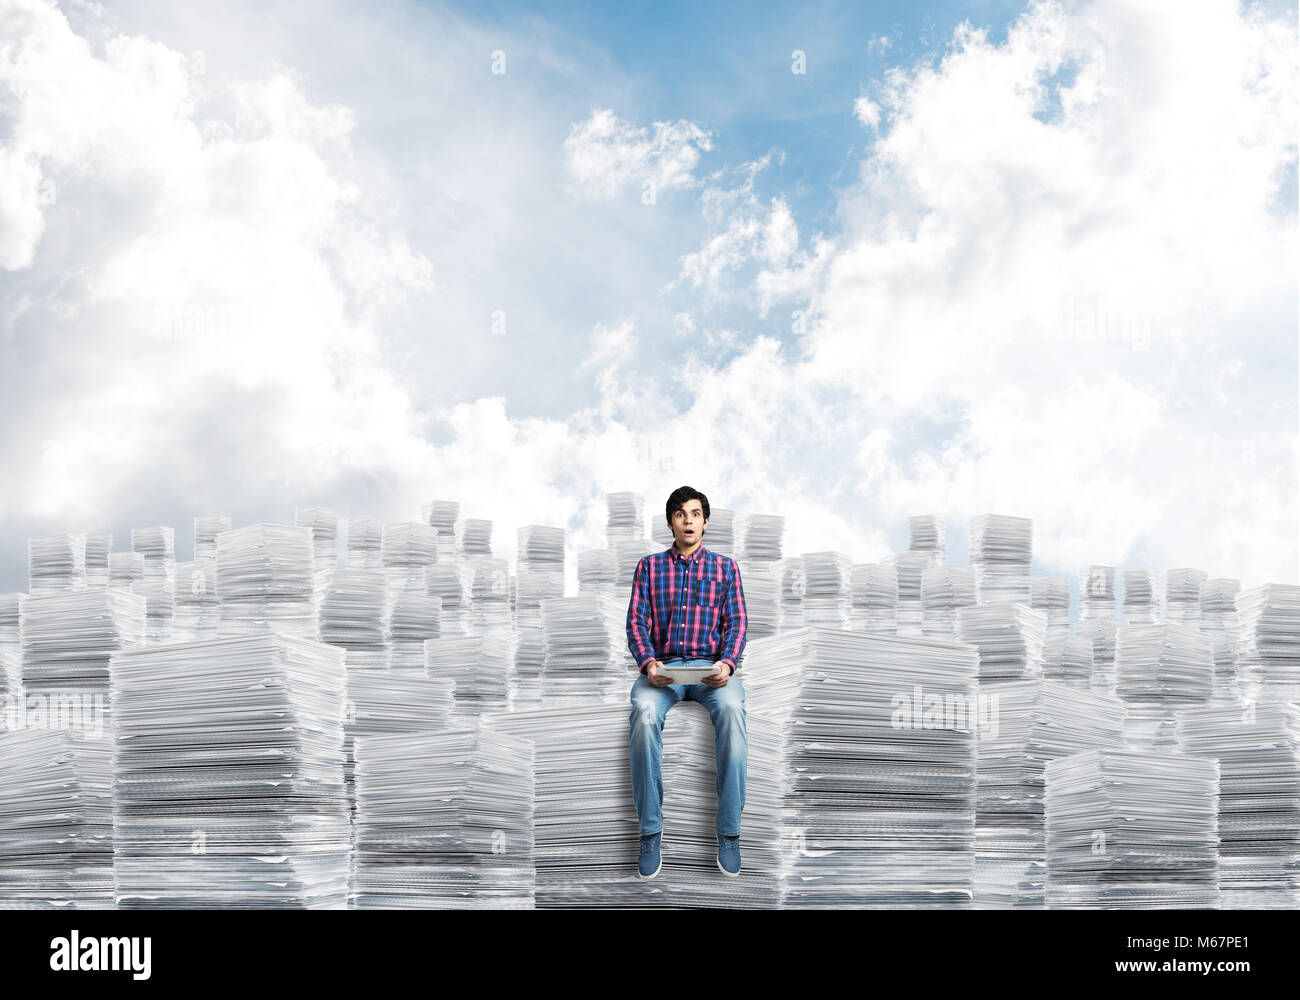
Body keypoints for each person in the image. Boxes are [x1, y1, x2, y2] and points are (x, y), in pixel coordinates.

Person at [625, 486, 747, 880]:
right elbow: (636, 623)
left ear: (706, 522)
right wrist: (648, 664)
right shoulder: (649, 567)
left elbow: (737, 624)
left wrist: (728, 664)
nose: (688, 520)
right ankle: (651, 831)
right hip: (663, 669)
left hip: (712, 670)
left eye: (695, 514)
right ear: (670, 522)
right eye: (680, 514)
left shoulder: (726, 568)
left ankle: (729, 832)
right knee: (643, 714)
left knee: (732, 711)